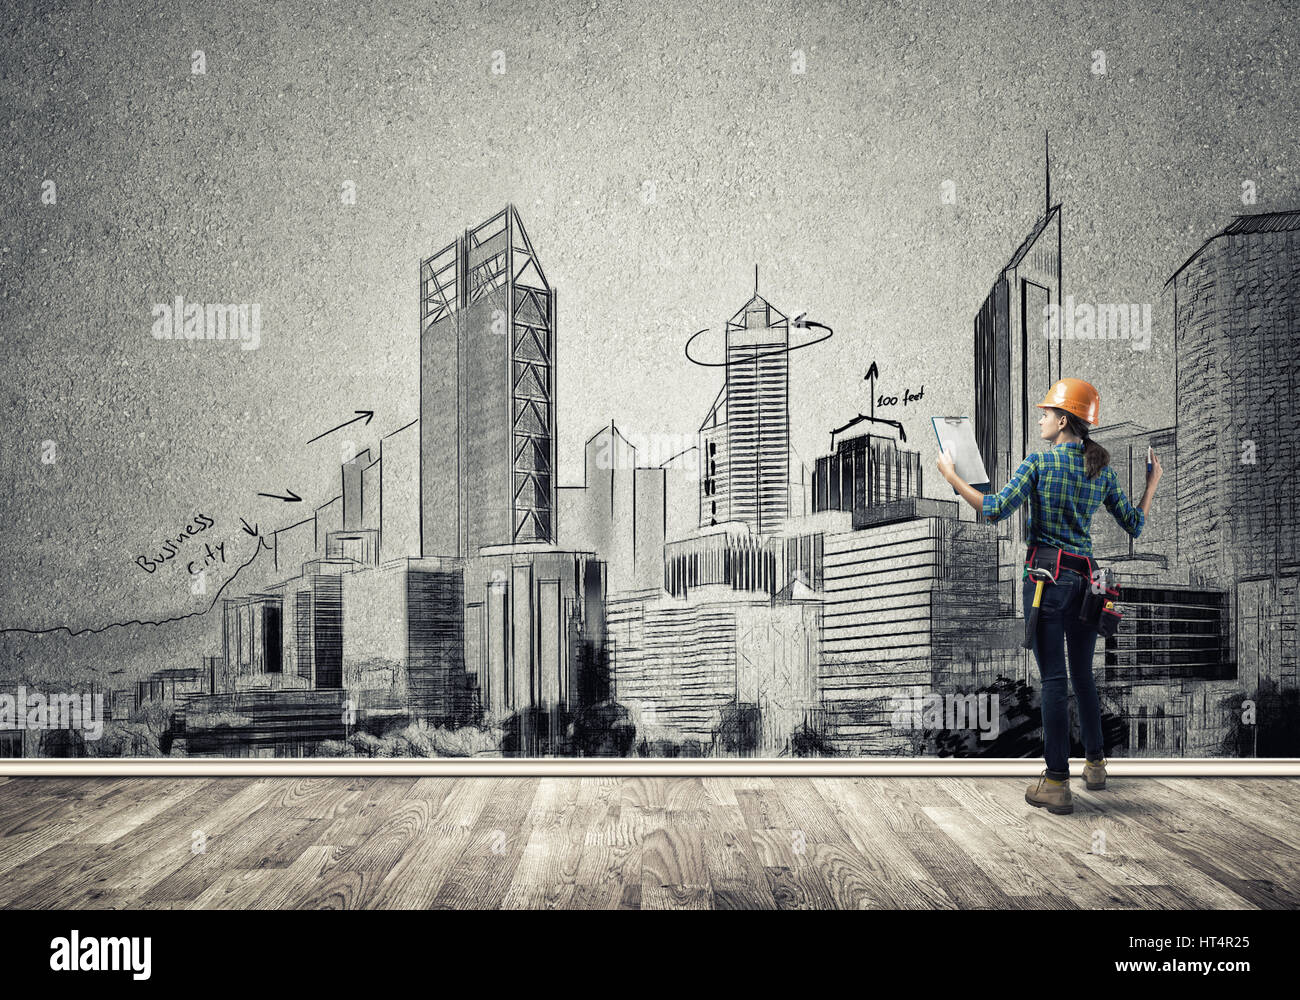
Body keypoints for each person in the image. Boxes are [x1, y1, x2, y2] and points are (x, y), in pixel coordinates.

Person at [935, 378, 1162, 815]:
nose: (1040, 419)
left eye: (1045, 414)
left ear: (1063, 420)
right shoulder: (1102, 471)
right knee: (1083, 677)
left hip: (1046, 580)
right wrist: (1151, 483)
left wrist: (951, 476)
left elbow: (994, 508)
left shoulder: (1038, 463)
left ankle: (1057, 782)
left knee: (1054, 680)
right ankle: (1095, 766)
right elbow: (1134, 524)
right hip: (1089, 585)